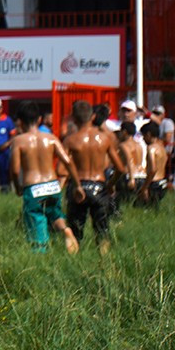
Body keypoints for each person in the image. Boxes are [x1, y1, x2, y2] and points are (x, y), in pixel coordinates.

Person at [9, 101, 83, 253]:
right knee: (55, 214)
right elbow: (68, 161)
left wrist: (18, 187)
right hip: (53, 184)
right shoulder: (51, 138)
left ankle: (41, 253)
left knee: (36, 219)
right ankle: (65, 230)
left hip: (33, 186)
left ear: (20, 122)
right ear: (39, 120)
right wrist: (77, 184)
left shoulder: (18, 141)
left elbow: (15, 170)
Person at [62, 101, 124, 251]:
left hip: (79, 187)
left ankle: (72, 262)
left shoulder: (71, 140)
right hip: (99, 187)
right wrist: (110, 185)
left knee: (75, 231)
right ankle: (106, 265)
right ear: (93, 116)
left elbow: (60, 169)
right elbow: (120, 168)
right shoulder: (105, 139)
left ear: (73, 119)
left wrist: (75, 182)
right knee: (102, 232)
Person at [115, 121, 146, 207]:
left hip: (129, 175)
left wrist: (131, 179)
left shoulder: (123, 145)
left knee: (123, 202)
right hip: (140, 175)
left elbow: (129, 161)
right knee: (135, 203)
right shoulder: (139, 145)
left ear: (124, 132)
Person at [140, 121, 169, 208]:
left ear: (148, 134)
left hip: (154, 183)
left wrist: (145, 187)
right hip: (163, 181)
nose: (143, 139)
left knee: (144, 208)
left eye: (144, 136)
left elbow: (153, 169)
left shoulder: (151, 148)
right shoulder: (162, 148)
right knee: (154, 208)